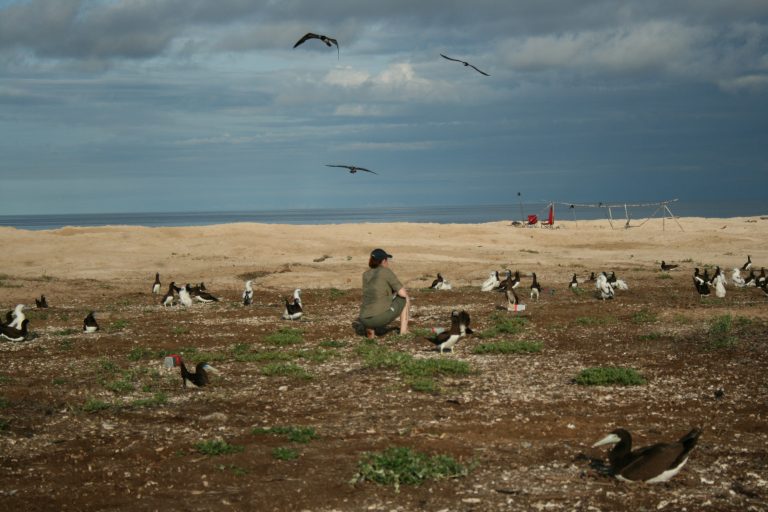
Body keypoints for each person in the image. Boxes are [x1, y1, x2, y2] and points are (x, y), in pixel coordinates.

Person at [359, 248, 410, 338]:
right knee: (405, 298)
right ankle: (404, 331)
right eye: (387, 260)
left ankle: (371, 334)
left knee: (371, 302)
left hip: (364, 319)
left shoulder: (365, 274)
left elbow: (375, 292)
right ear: (383, 261)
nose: (387, 262)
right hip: (378, 319)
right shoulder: (386, 271)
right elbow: (402, 293)